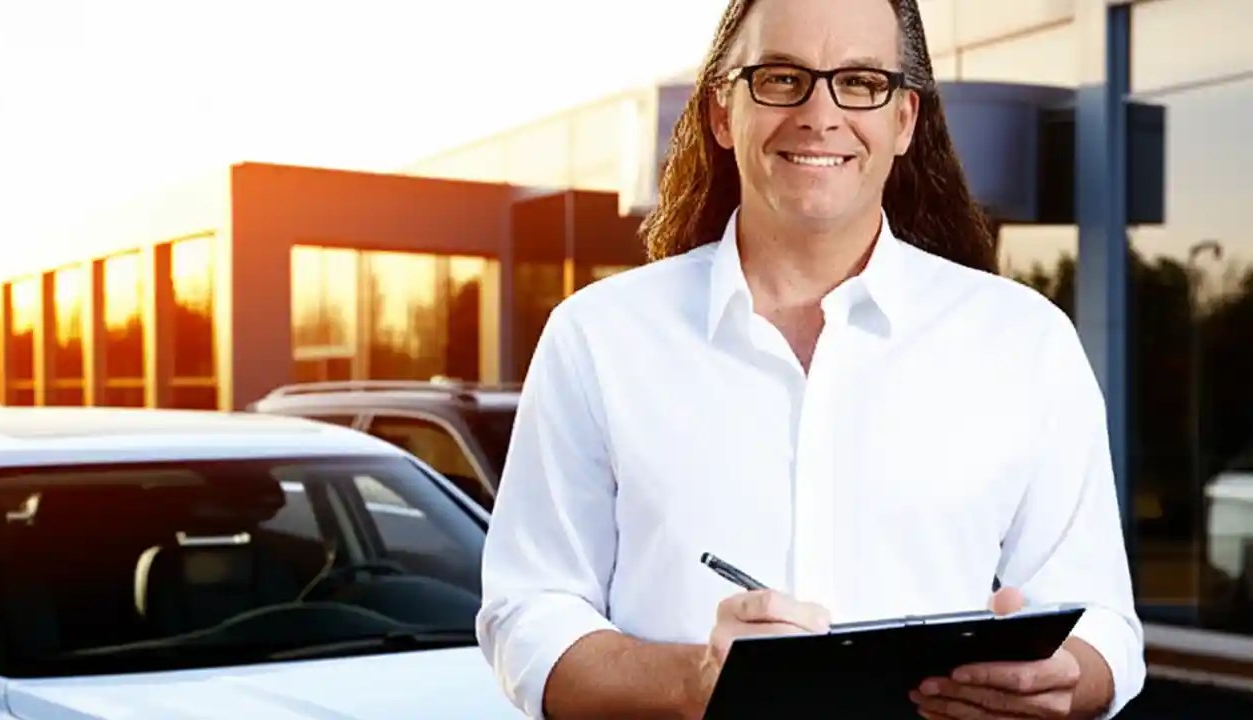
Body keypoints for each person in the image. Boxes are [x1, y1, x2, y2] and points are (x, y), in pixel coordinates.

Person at [476, 0, 1146, 717]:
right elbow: (530, 613)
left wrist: (1065, 679)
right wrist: (698, 681)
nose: (820, 114)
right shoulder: (598, 337)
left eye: (859, 81)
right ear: (720, 114)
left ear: (903, 121)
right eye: (781, 78)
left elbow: (1104, 624)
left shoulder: (1026, 343)